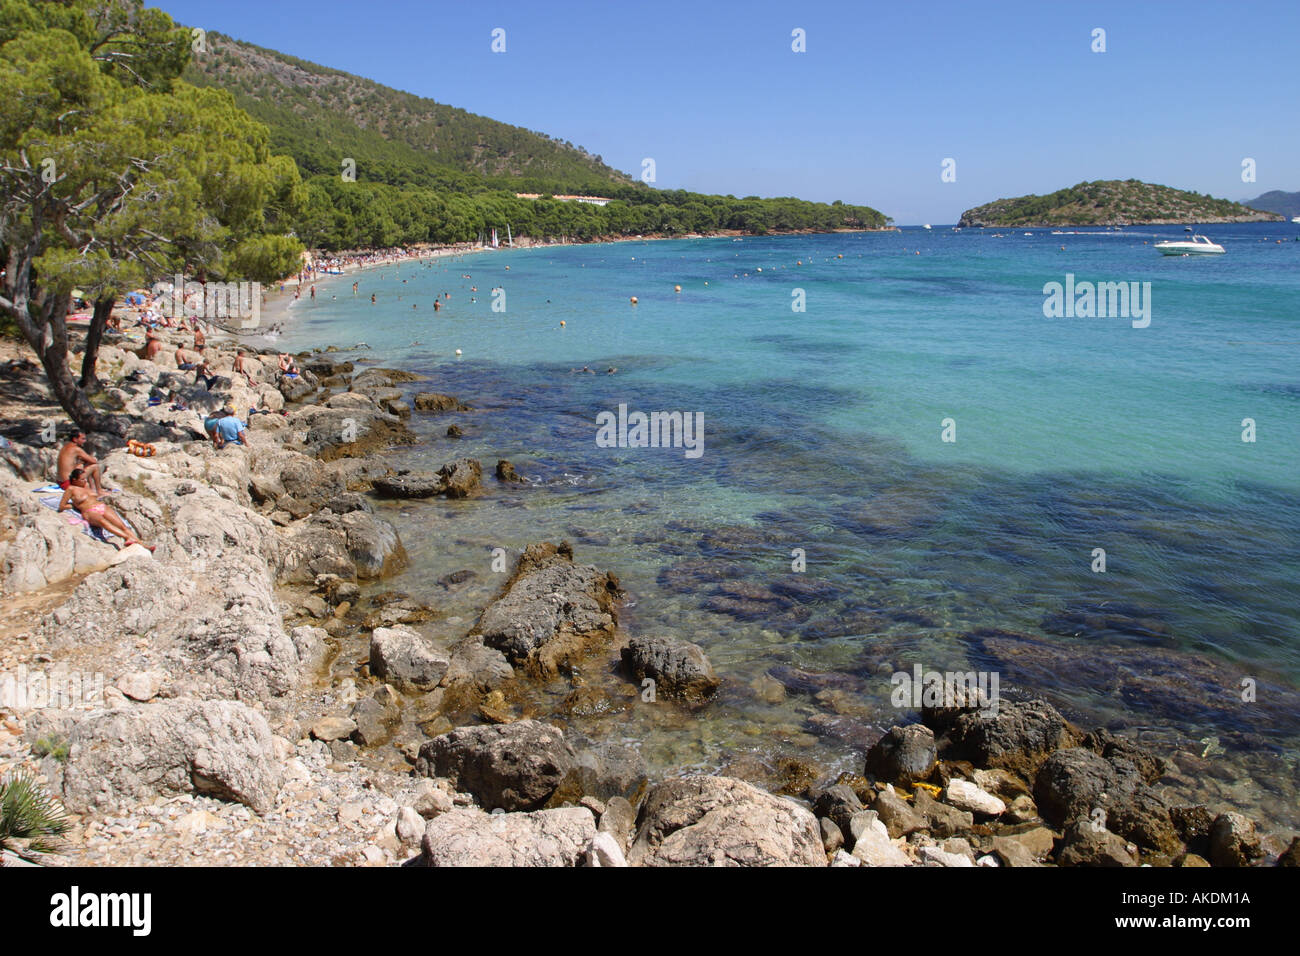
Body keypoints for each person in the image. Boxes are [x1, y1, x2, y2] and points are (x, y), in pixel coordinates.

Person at [58, 468, 154, 552]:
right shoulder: (71, 489)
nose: (85, 481)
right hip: (89, 511)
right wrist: (75, 507)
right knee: (103, 522)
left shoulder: (86, 486)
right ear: (74, 480)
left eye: (85, 478)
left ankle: (143, 545)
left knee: (122, 525)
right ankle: (126, 537)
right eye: (82, 479)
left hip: (101, 506)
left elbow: (96, 495)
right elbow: (62, 506)